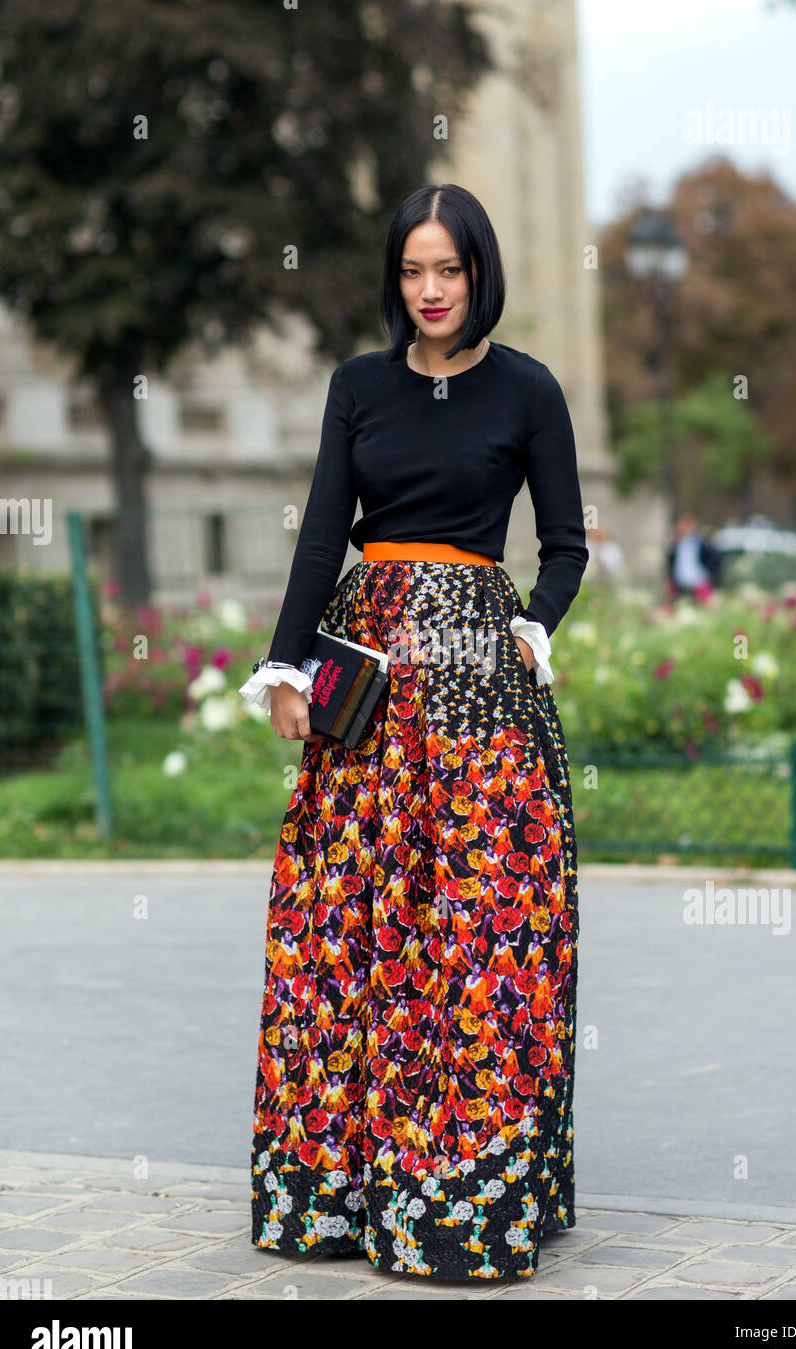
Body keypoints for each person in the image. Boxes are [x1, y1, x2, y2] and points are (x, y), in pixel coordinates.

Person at [238, 183, 588, 1281]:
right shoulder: (358, 387)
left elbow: (566, 544)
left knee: (482, 926)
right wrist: (285, 663)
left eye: (449, 269)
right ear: (396, 281)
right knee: (345, 919)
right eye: (411, 272)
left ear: (480, 271)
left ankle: (469, 1194)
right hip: (367, 677)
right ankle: (336, 1194)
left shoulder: (528, 390)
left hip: (483, 676)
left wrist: (531, 630)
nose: (430, 291)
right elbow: (319, 537)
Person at [666, 513, 721, 599]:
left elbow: (714, 558)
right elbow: (671, 563)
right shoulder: (677, 544)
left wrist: (708, 574)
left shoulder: (701, 543)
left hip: (698, 581)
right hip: (680, 582)